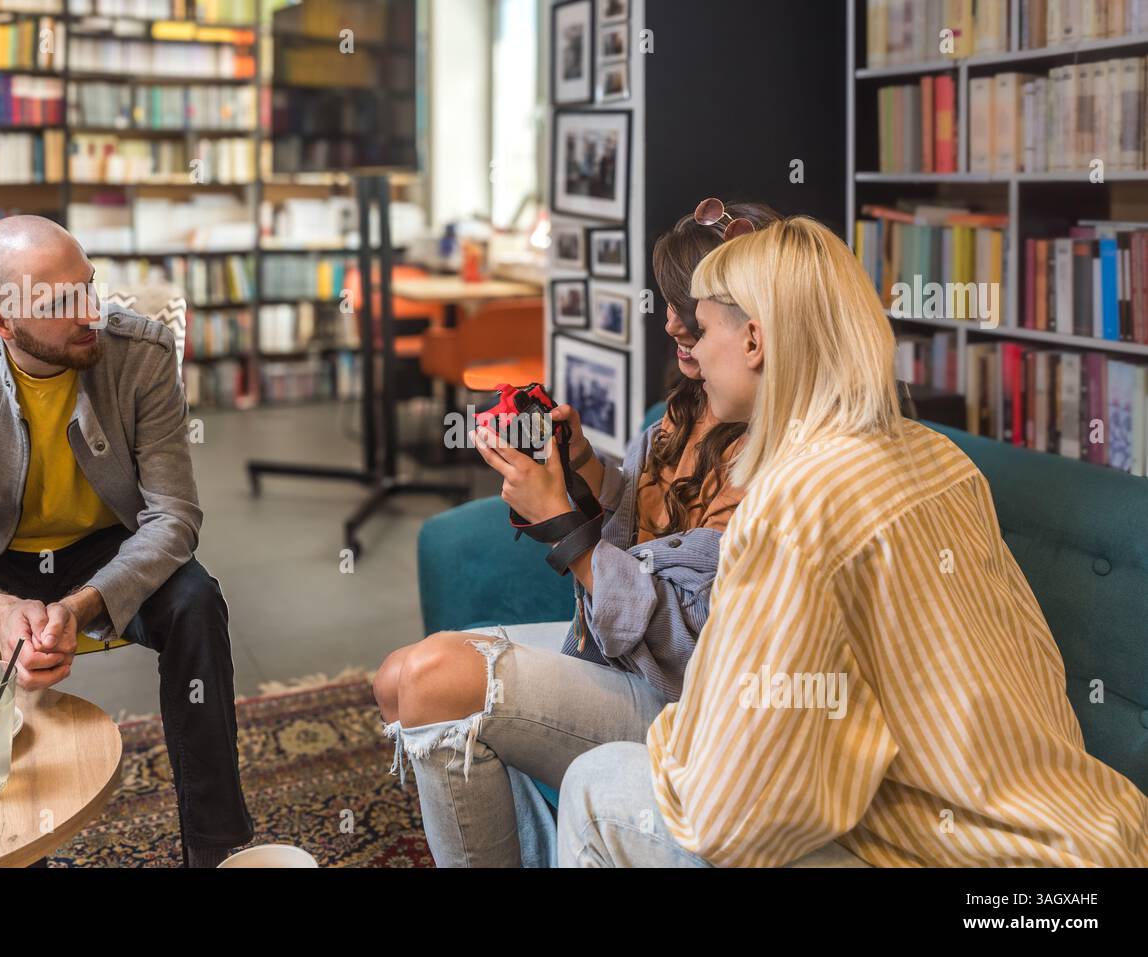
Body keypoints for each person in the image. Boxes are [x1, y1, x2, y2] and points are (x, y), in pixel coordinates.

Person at [557, 215, 1148, 868]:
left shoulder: (794, 503)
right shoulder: (938, 458)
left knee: (594, 780)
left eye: (703, 324)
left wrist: (675, 730)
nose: (692, 347)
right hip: (1099, 840)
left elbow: (730, 816)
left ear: (754, 339)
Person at [373, 202, 781, 867]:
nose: (673, 323)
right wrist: (586, 464)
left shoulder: (780, 465)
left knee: (429, 681)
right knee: (395, 679)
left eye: (688, 307)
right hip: (609, 656)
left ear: (751, 325)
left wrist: (566, 528)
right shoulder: (695, 408)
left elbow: (691, 648)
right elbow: (656, 527)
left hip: (679, 703)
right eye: (670, 303)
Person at [0, 215, 254, 868]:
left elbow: (174, 518)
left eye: (89, 285)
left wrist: (82, 605)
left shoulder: (142, 354)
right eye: (60, 301)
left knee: (195, 603)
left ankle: (219, 848)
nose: (90, 310)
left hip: (103, 550)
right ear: (0, 323)